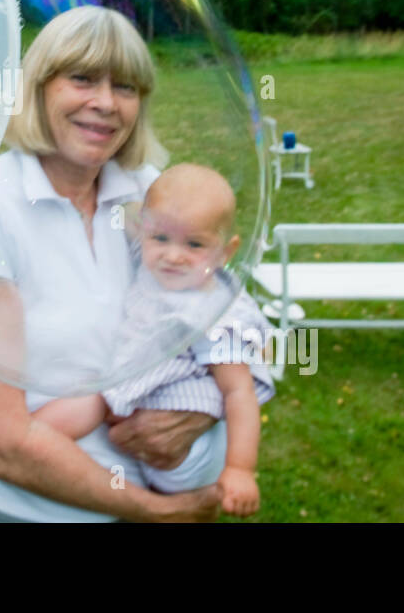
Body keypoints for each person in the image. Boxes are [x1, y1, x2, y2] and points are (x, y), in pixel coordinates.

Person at [0, 5, 225, 522]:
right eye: (81, 79)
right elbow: (0, 444)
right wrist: (152, 511)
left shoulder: (149, 192)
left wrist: (203, 407)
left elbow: (231, 320)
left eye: (125, 87)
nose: (105, 103)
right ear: (39, 88)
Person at [33, 163, 276, 516]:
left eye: (194, 244)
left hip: (182, 454)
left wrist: (239, 468)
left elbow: (239, 393)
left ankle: (35, 437)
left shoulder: (213, 314)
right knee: (98, 397)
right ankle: (31, 437)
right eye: (160, 238)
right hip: (135, 401)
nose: (173, 255)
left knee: (102, 399)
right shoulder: (154, 271)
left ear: (225, 253)